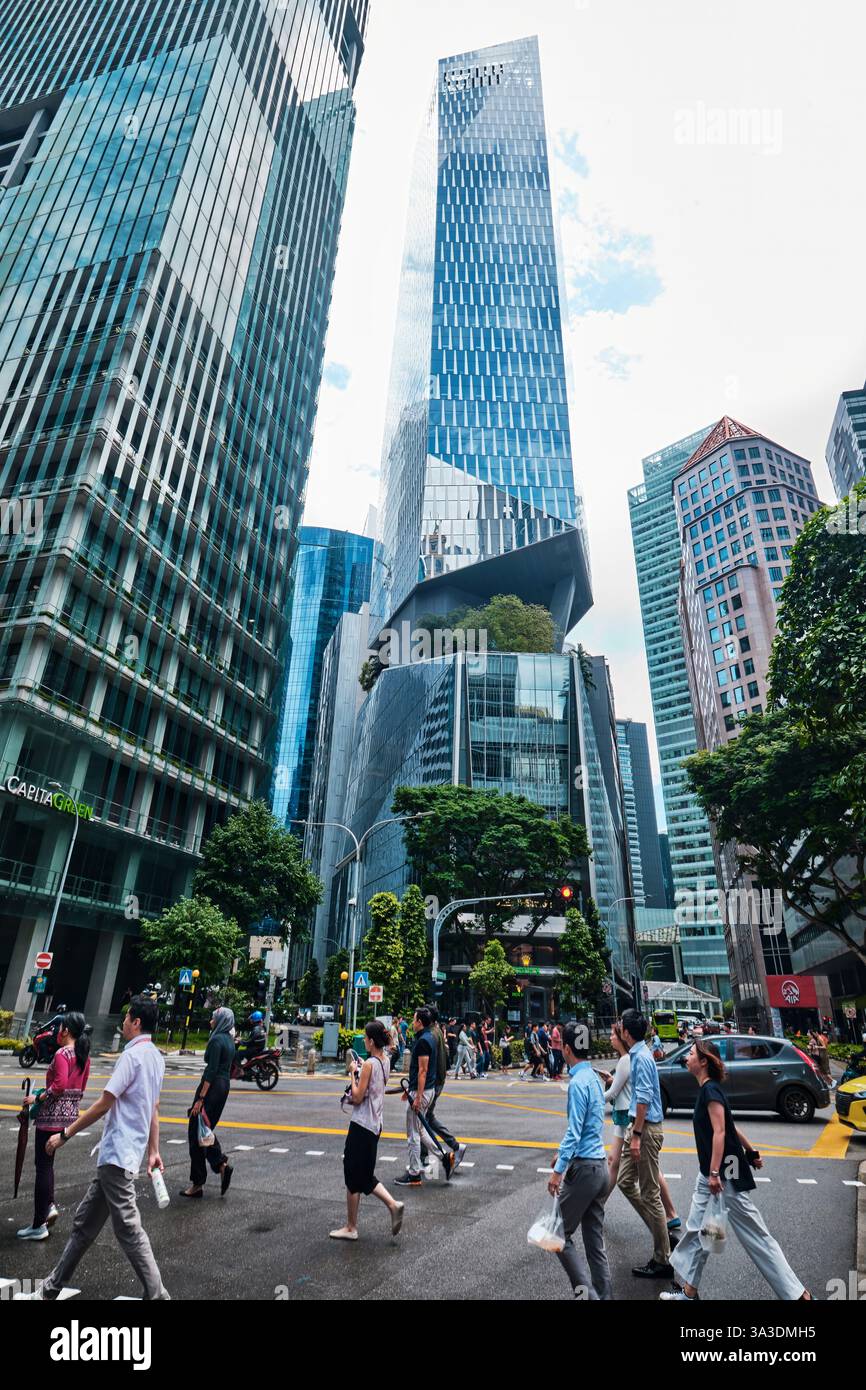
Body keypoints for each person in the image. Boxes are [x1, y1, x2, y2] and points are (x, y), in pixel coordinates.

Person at [17, 995, 169, 1301]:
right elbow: (153, 1107)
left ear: (136, 1022)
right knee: (83, 1227)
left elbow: (104, 1103)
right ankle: (50, 1290)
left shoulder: (132, 1057)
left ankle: (158, 1295)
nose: (123, 1022)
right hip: (122, 1155)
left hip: (118, 1155)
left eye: (127, 1017)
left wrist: (65, 1134)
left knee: (128, 1229)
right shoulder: (156, 1057)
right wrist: (153, 1149)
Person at [660, 1041, 813, 1302]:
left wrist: (715, 1173)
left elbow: (721, 1132)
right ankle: (689, 1291)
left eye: (692, 1053)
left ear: (704, 1061)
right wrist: (751, 1152)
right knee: (701, 1231)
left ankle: (801, 1297)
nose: (687, 1057)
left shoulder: (711, 1092)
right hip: (710, 1175)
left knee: (757, 1238)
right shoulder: (709, 1090)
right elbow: (731, 1126)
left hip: (724, 1178)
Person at [546, 1023, 611, 1300]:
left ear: (568, 1049)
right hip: (600, 1168)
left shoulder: (577, 1083)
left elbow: (574, 1130)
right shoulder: (595, 1079)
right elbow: (587, 1127)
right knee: (594, 1241)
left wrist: (558, 1171)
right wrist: (562, 1154)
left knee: (557, 1233)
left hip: (584, 1170)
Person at [17, 1012, 92, 1242]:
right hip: (68, 1116)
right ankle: (48, 1207)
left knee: (42, 1165)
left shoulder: (62, 1054)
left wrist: (37, 1099)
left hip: (50, 1116)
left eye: (60, 1027)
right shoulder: (83, 1056)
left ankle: (39, 1222)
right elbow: (79, 1089)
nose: (58, 1031)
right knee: (47, 1164)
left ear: (66, 1031)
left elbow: (58, 1086)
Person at [600, 1022, 680, 1232]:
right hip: (625, 1117)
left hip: (630, 1118)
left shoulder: (631, 1059)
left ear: (623, 1035)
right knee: (621, 1166)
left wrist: (592, 1099)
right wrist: (612, 1079)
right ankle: (668, 1216)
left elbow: (629, 1095)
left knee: (639, 1173)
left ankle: (664, 1219)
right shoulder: (629, 1059)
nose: (610, 1037)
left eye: (612, 1034)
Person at [330, 1020, 404, 1240]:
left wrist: (353, 1072)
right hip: (376, 1124)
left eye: (365, 1038)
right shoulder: (385, 1061)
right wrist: (363, 1068)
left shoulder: (370, 1064)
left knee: (353, 1173)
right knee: (362, 1174)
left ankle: (353, 1227)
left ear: (371, 1041)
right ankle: (390, 1206)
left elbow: (358, 1096)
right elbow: (376, 1085)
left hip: (361, 1124)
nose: (363, 1040)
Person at [616, 1009, 673, 1280]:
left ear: (627, 1033)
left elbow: (644, 1098)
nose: (618, 1030)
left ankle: (662, 1260)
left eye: (620, 1027)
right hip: (637, 1127)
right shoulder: (638, 1054)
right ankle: (659, 1229)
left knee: (650, 1194)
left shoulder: (640, 1057)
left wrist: (636, 1135)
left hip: (645, 1130)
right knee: (625, 1180)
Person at [181, 1006, 235, 1200]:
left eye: (213, 1018)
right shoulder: (229, 1040)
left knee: (196, 1130)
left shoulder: (217, 1040)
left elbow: (211, 1071)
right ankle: (220, 1165)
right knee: (204, 1129)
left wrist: (201, 1099)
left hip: (211, 1089)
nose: (210, 1021)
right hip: (223, 1087)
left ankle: (198, 1183)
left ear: (220, 1020)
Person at [420, 1003, 466, 1174]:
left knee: (421, 1120)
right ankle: (455, 1146)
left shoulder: (430, 1035)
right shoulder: (437, 1032)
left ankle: (426, 1159)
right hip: (438, 1081)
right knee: (427, 1118)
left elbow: (426, 1066)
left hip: (433, 1083)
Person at [395, 1007, 438, 1186]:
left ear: (420, 1022)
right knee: (420, 1129)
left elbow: (422, 1071)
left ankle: (414, 1174)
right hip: (425, 1089)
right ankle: (444, 1155)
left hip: (422, 1092)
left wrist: (417, 1097)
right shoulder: (430, 1037)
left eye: (414, 1020)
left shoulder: (422, 1041)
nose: (412, 1023)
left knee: (413, 1133)